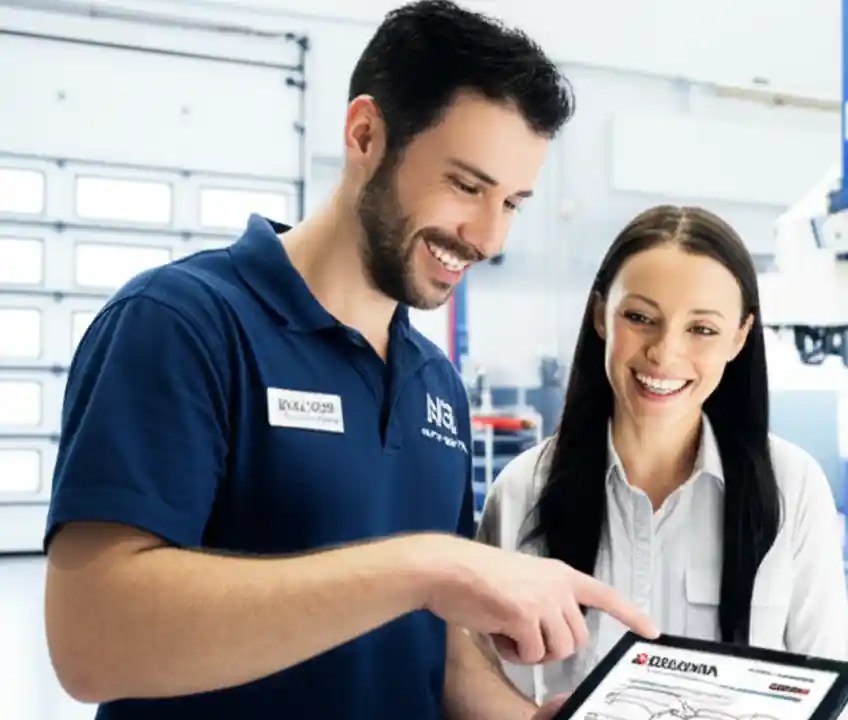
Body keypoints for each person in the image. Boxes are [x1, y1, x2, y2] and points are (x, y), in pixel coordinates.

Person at [41, 3, 657, 719]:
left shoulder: (436, 386)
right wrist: (428, 566)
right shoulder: (182, 324)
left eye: (513, 202)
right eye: (466, 186)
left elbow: (436, 640)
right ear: (365, 134)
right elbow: (92, 640)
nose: (489, 237)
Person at [476, 205, 848, 702]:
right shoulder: (522, 490)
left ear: (740, 336)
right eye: (640, 318)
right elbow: (484, 686)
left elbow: (830, 691)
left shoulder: (793, 487)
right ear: (600, 315)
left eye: (702, 329)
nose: (664, 352)